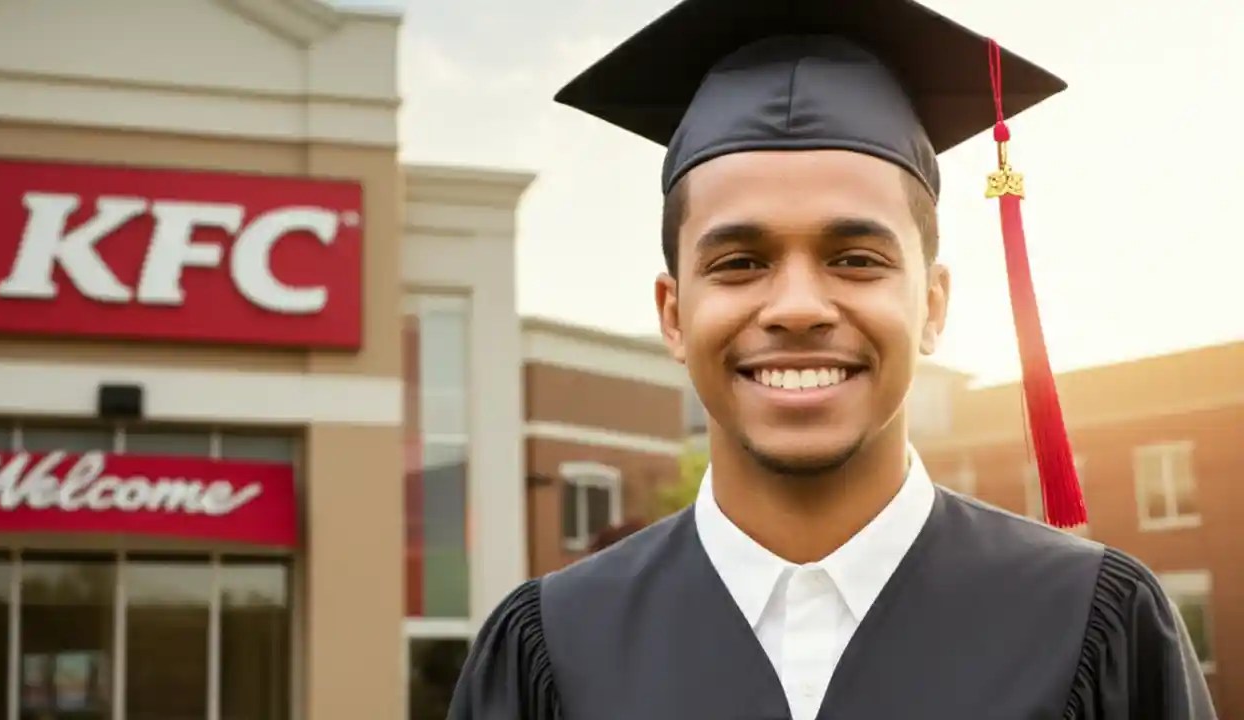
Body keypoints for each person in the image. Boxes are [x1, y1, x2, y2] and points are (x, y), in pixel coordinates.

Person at [447, 0, 1218, 717]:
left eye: (855, 258)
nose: (797, 307)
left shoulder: (1092, 624)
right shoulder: (550, 649)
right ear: (673, 315)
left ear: (933, 305)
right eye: (739, 262)